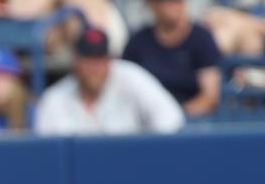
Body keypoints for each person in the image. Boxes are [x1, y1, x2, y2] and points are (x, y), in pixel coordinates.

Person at [33, 24, 184, 133]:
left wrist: (143, 152)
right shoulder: (55, 98)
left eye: (99, 59)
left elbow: (171, 118)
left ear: (109, 60)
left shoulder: (130, 77)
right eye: (88, 59)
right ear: (76, 61)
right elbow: (46, 153)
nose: (94, 68)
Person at [121, 0, 221, 115]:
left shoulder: (201, 38)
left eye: (176, 0)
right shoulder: (138, 42)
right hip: (147, 121)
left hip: (191, 121)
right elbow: (126, 91)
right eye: (165, 1)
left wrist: (174, 117)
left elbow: (209, 97)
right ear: (152, 4)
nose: (172, 6)